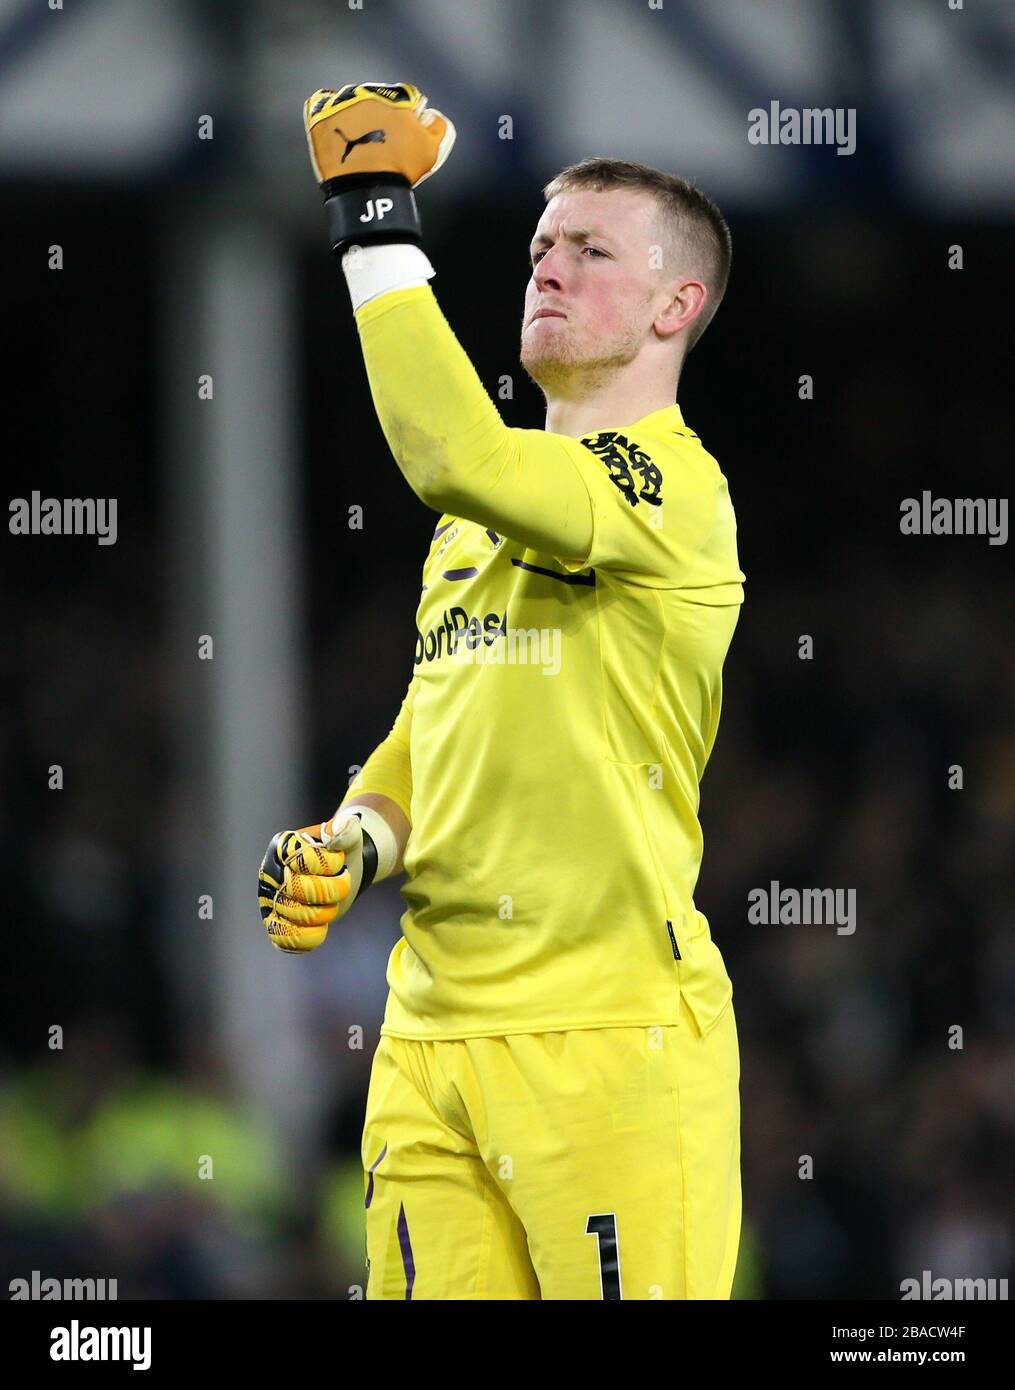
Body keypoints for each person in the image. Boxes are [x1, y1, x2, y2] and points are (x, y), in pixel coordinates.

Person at [259, 84, 745, 1300]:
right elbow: (435, 729)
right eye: (539, 248)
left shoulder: (675, 494)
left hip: (610, 1047)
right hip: (426, 1038)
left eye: (592, 251)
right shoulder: (477, 529)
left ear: (676, 304)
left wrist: (375, 215)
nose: (549, 269)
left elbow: (449, 452)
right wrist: (359, 841)